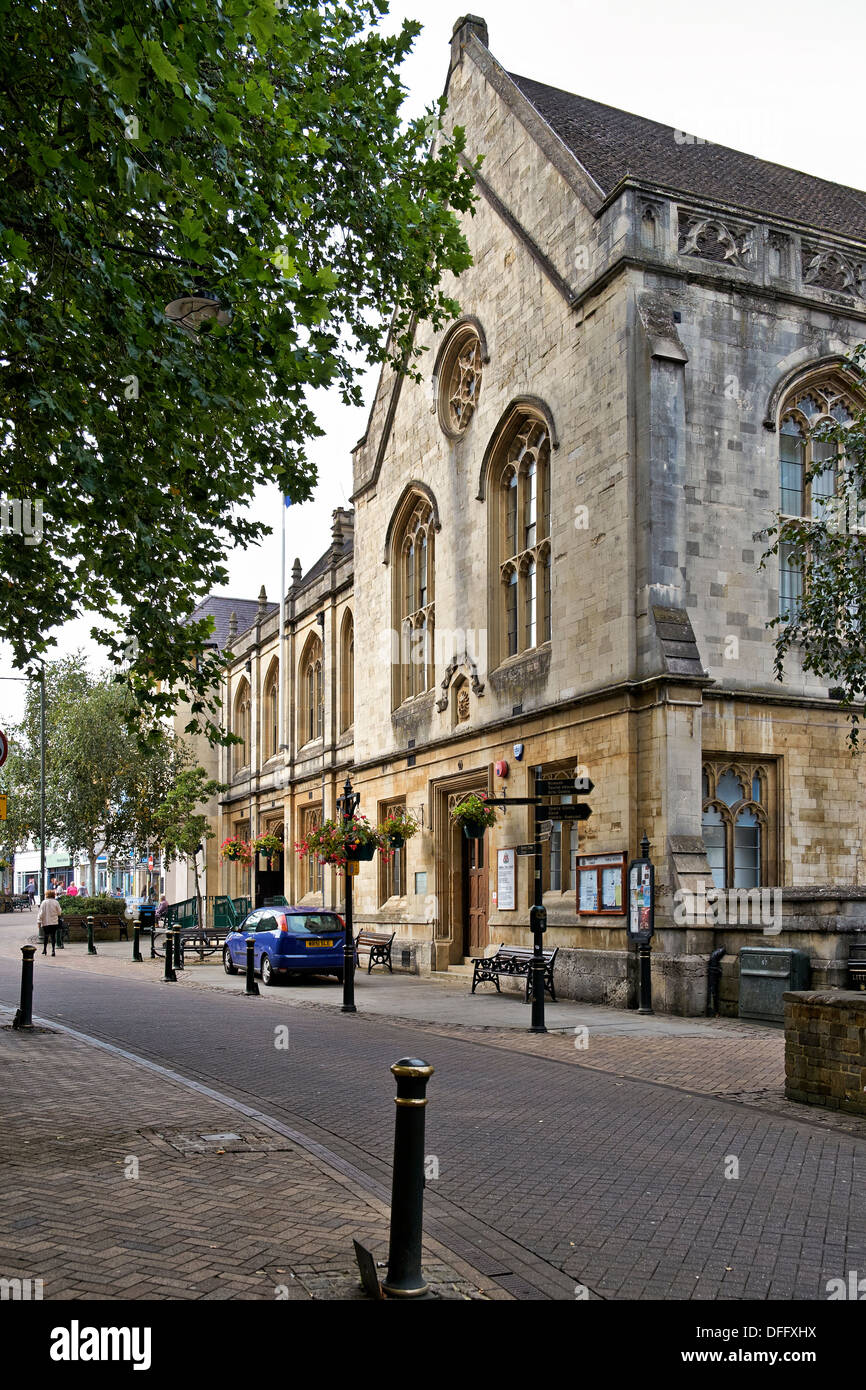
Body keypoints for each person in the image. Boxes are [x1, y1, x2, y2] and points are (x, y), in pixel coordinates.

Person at [37, 889, 62, 956]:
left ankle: (44, 949)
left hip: (46, 922)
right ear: (53, 895)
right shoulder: (56, 902)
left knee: (46, 936)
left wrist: (39, 921)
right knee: (53, 936)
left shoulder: (44, 902)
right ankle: (53, 950)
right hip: (54, 922)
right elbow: (59, 913)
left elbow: (40, 913)